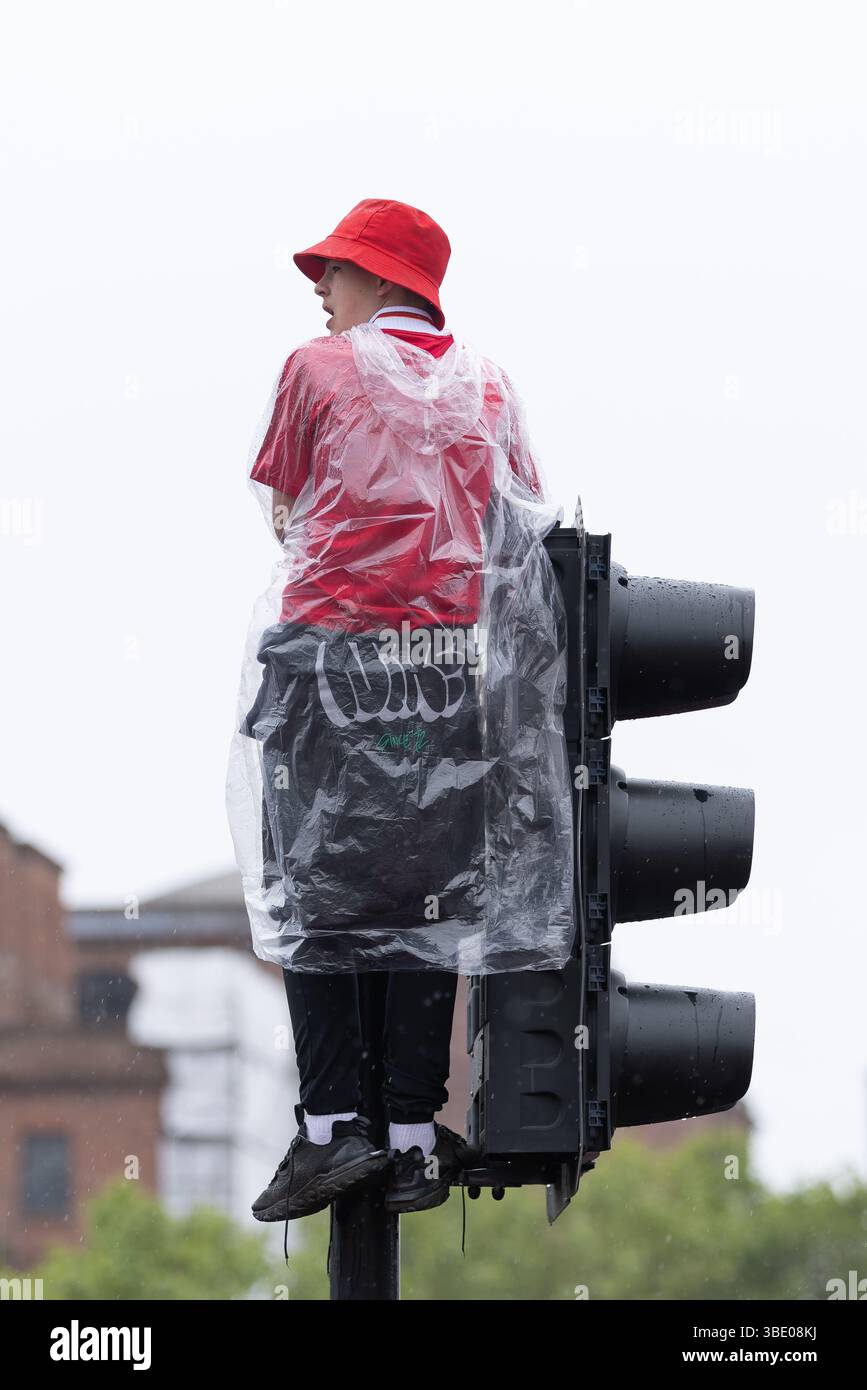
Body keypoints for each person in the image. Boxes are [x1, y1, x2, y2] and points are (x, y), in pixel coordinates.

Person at [229, 199, 574, 1234]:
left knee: (315, 895)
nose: (319, 290)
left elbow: (285, 507)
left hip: (330, 672)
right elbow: (519, 521)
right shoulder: (493, 386)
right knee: (431, 906)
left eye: (333, 270)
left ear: (382, 280)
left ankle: (334, 1128)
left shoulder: (313, 369)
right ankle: (415, 1141)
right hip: (450, 681)